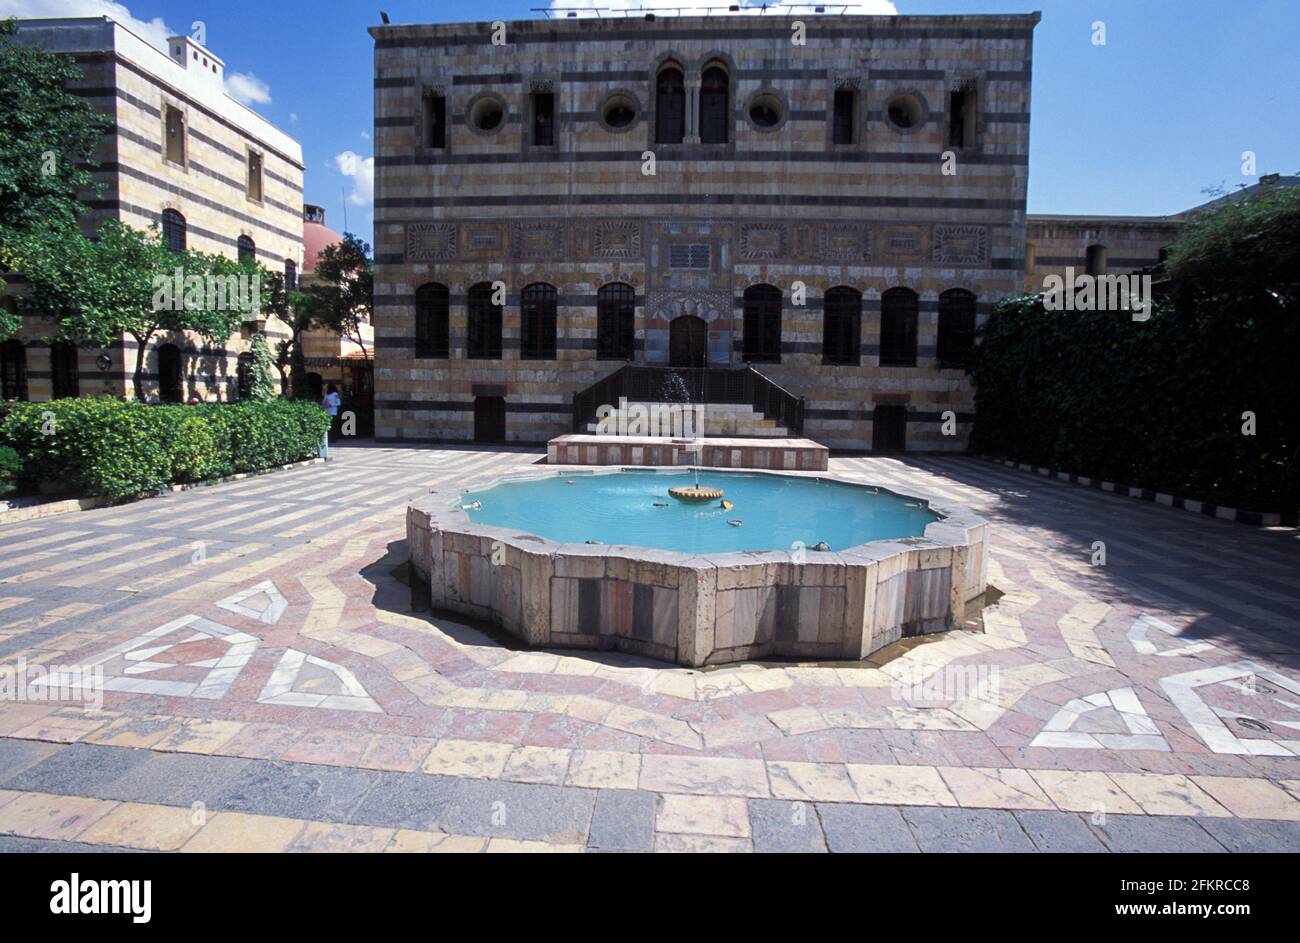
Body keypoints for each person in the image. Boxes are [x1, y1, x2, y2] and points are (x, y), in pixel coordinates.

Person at [320, 383, 341, 461]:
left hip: (333, 412)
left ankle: (334, 439)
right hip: (326, 412)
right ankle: (329, 439)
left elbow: (338, 403)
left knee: (333, 426)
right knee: (328, 426)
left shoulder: (335, 394)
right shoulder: (326, 394)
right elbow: (323, 401)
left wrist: (331, 404)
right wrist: (324, 404)